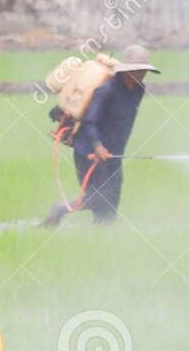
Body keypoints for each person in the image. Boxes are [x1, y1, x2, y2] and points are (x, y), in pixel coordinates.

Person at [44, 44, 159, 227]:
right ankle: (60, 209)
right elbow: (90, 121)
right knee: (98, 196)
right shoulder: (106, 91)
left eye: (143, 70)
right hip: (89, 150)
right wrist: (97, 146)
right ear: (125, 71)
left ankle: (103, 235)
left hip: (114, 152)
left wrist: (111, 149)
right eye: (136, 70)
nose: (140, 74)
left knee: (112, 200)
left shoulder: (138, 90)